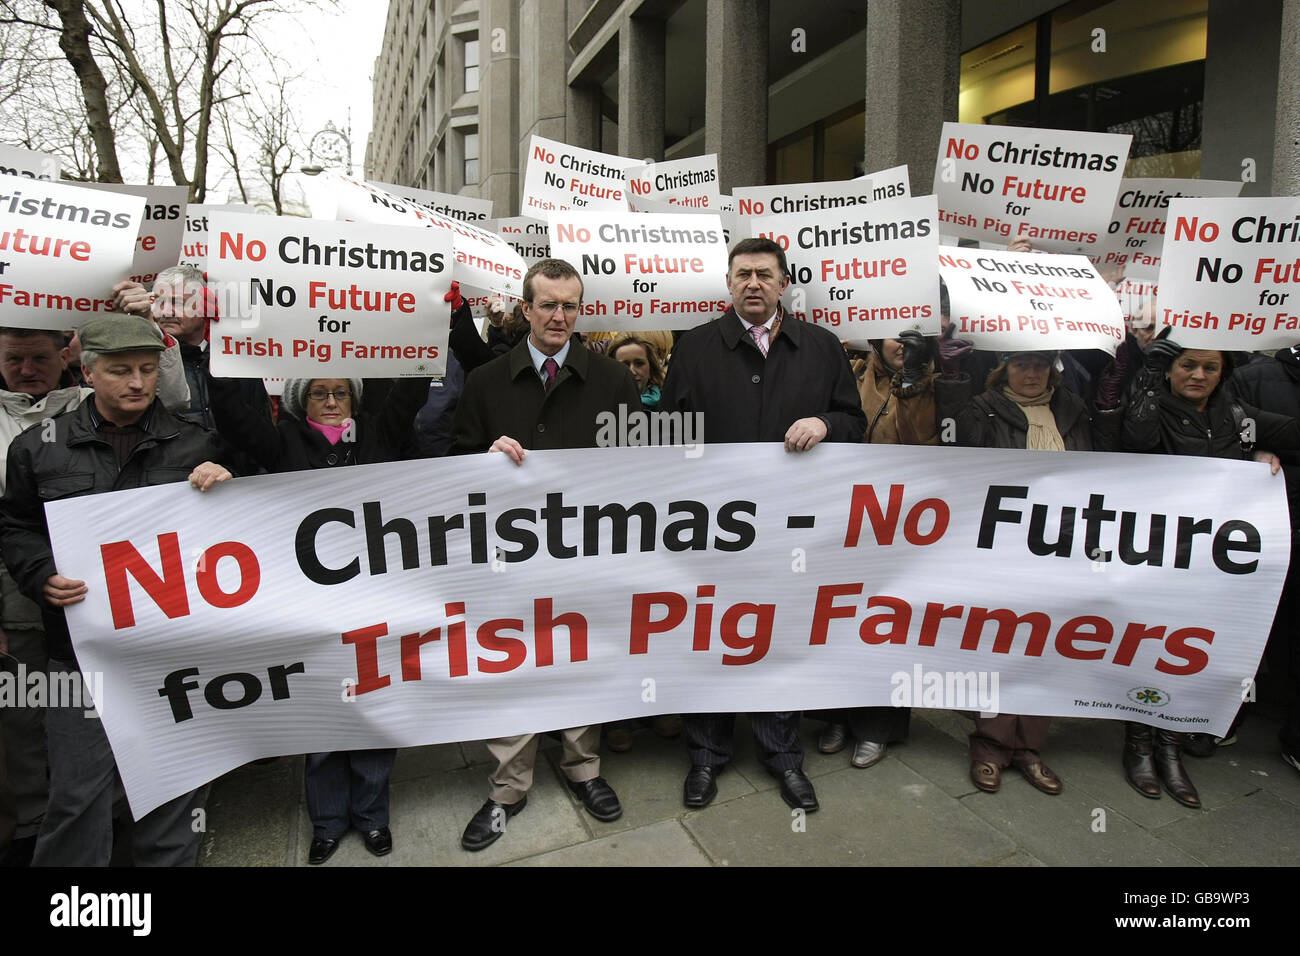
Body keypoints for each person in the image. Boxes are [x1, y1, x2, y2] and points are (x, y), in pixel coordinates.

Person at [0, 315, 233, 866]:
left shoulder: (196, 442)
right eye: (120, 370)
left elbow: (229, 543)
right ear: (87, 371)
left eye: (148, 370)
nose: (137, 382)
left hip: (174, 656)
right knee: (78, 796)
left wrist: (225, 486)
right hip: (82, 655)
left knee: (173, 792)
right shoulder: (38, 449)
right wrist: (40, 574)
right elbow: (15, 526)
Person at [658, 237, 867, 813]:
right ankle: (706, 756)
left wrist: (826, 423)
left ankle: (783, 756)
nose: (753, 283)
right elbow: (669, 434)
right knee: (710, 634)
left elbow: (856, 421)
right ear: (728, 284)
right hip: (712, 529)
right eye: (743, 274)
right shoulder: (696, 347)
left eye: (764, 274)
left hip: (792, 529)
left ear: (783, 283)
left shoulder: (822, 348)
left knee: (779, 634)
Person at [450, 258, 642, 851]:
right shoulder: (485, 382)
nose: (560, 316)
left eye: (570, 305)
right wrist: (485, 454)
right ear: (527, 309)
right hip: (510, 556)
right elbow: (454, 461)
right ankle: (508, 787)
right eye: (549, 305)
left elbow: (636, 467)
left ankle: (583, 767)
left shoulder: (612, 380)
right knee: (513, 660)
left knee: (580, 654)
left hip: (586, 549)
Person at [210, 364, 431, 864]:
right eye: (318, 394)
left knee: (373, 708)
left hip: (374, 597)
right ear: (299, 403)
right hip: (310, 603)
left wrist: (428, 331)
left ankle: (373, 816)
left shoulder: (379, 434)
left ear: (355, 400)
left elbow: (409, 395)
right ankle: (328, 822)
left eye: (340, 393)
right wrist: (220, 354)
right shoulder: (282, 442)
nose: (331, 402)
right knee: (324, 712)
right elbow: (233, 417)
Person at [1118, 336, 1300, 805]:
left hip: (1212, 563)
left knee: (1189, 650)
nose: (1198, 376)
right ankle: (1138, 745)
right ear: (1171, 368)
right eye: (1188, 365)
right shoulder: (1151, 405)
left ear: (1223, 374)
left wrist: (1255, 453)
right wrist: (1145, 376)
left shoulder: (1237, 416)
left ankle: (1171, 745)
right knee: (1152, 645)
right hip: (1158, 555)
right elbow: (1136, 440)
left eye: (1210, 368)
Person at [937, 349, 1114, 797]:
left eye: (1040, 364)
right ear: (1005, 368)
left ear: (1053, 368)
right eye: (1022, 364)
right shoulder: (981, 408)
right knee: (1000, 645)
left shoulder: (1073, 409)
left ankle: (1031, 747)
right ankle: (991, 746)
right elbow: (953, 448)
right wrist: (952, 376)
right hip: (1004, 549)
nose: (1031, 373)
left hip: (1063, 549)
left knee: (1045, 646)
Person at [818, 330, 939, 769]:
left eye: (912, 333)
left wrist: (913, 383)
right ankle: (836, 713)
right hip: (845, 518)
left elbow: (924, 443)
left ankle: (877, 724)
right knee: (837, 619)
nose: (901, 343)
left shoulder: (932, 384)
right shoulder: (849, 373)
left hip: (901, 524)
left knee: (887, 623)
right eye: (893, 333)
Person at [1228, 344, 1300, 775]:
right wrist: (1251, 454)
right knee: (1249, 625)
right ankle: (1225, 714)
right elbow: (1228, 428)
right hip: (1265, 530)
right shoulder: (1256, 377)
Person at [608, 333, 667, 411]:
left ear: (651, 368)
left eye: (639, 364)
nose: (632, 372)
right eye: (624, 365)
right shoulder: (600, 405)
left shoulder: (667, 406)